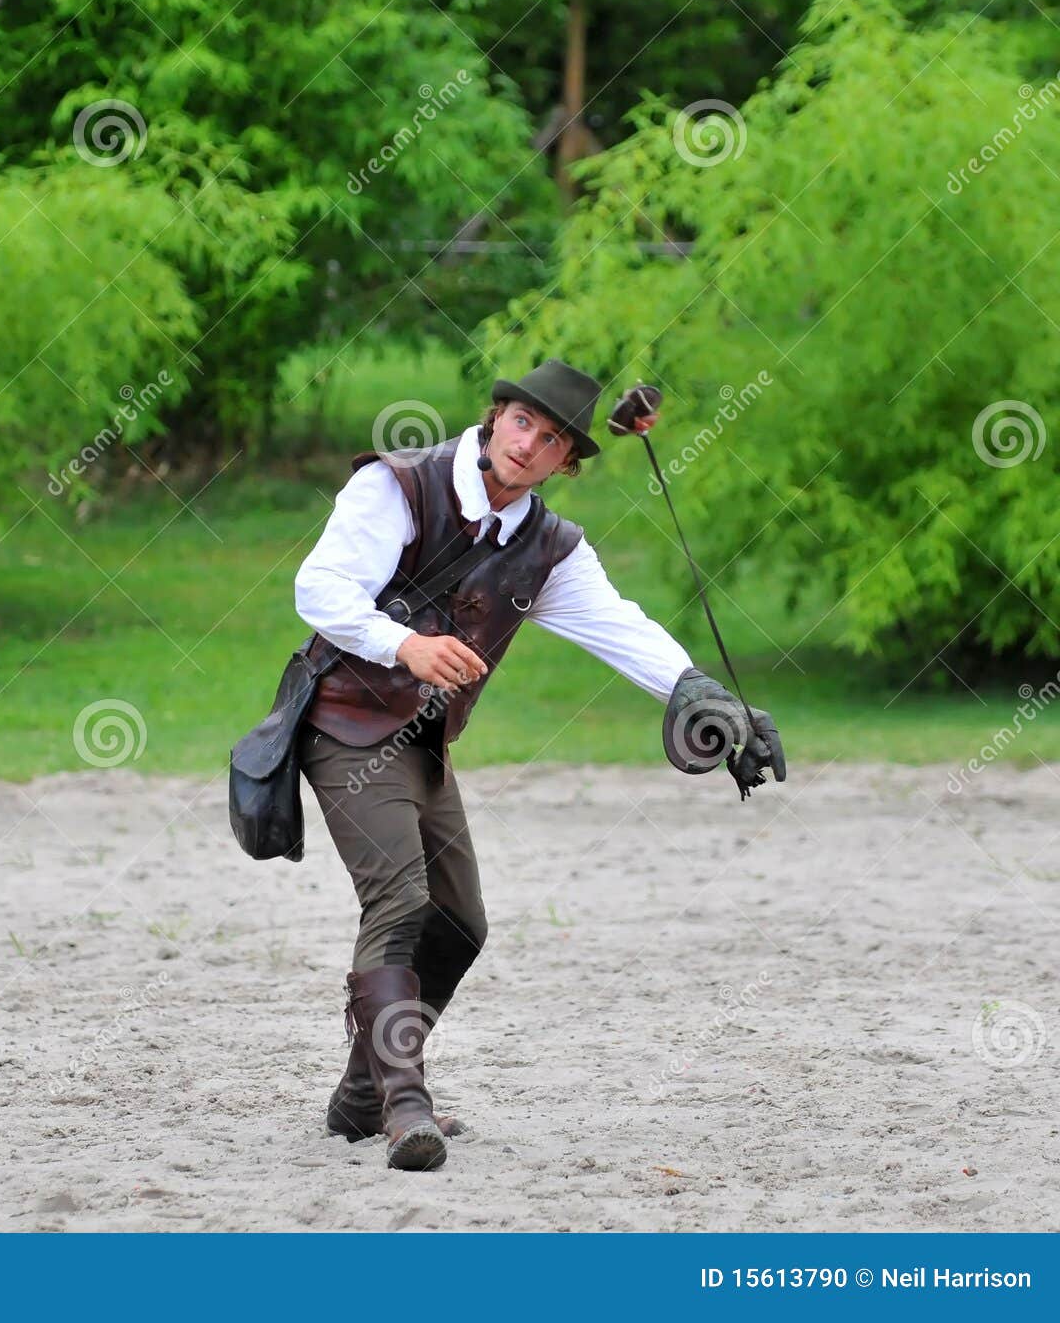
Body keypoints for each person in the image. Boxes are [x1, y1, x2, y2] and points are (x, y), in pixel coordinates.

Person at [293, 359, 784, 1171]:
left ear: (568, 463)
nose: (531, 444)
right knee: (402, 898)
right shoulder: (399, 488)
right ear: (495, 418)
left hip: (421, 742)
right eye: (524, 422)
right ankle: (404, 1104)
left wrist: (701, 691)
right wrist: (405, 644)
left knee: (461, 924)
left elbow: (616, 624)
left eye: (553, 439)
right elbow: (322, 589)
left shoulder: (548, 548)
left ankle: (358, 1095)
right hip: (344, 723)